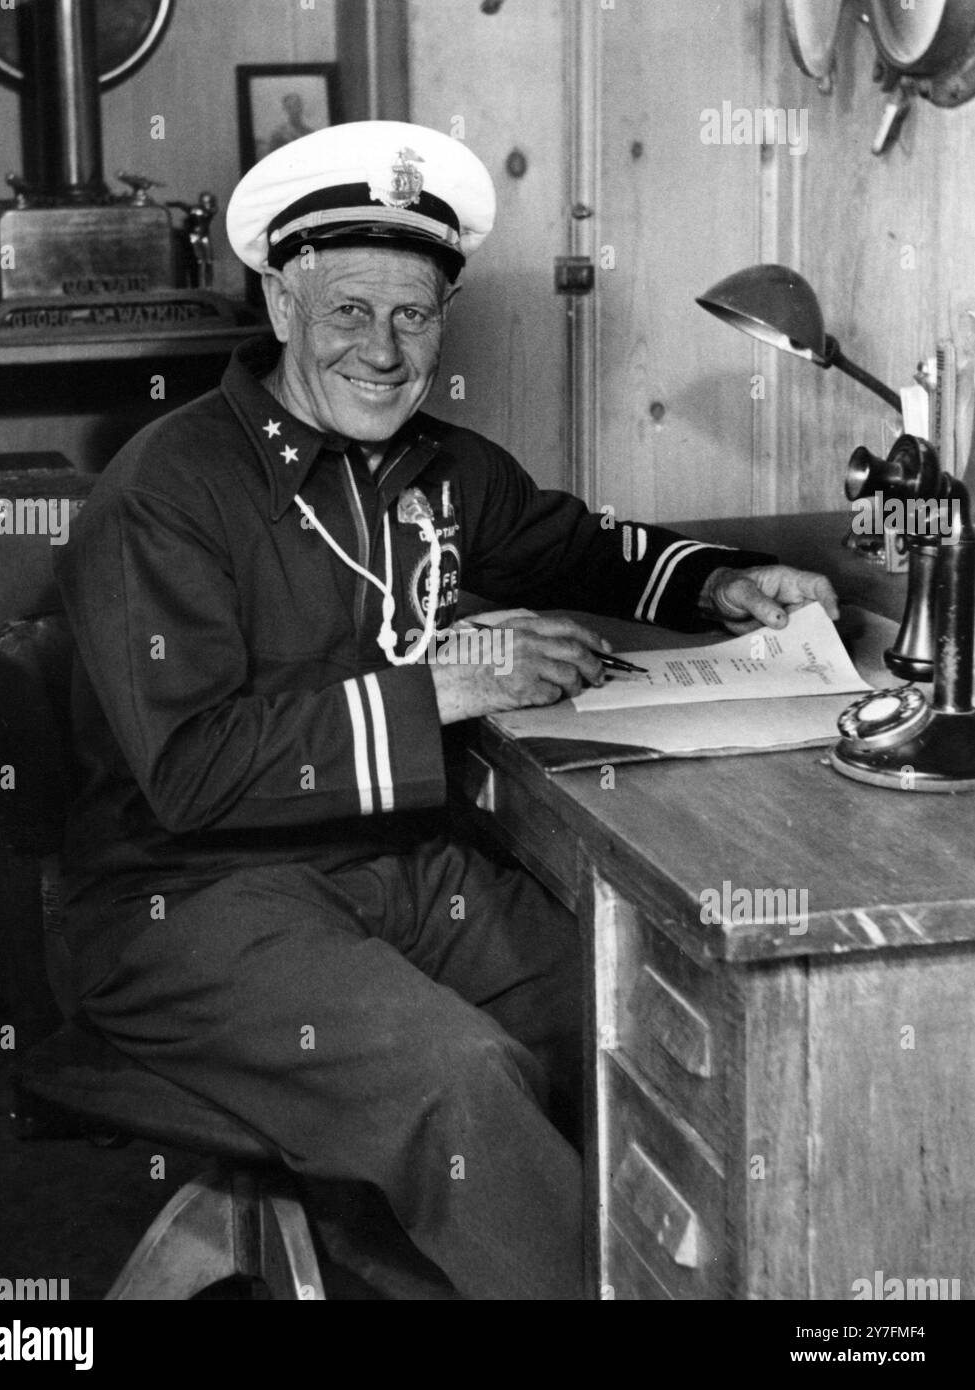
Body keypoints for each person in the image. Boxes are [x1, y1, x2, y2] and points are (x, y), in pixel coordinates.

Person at [54, 121, 838, 1300]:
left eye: (414, 315)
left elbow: (575, 546)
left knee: (628, 1014)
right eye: (349, 310)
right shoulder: (164, 490)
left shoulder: (435, 466)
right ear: (279, 305)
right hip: (185, 895)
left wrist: (720, 580)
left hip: (392, 864)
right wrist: (453, 685)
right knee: (459, 1073)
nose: (384, 348)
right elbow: (195, 769)